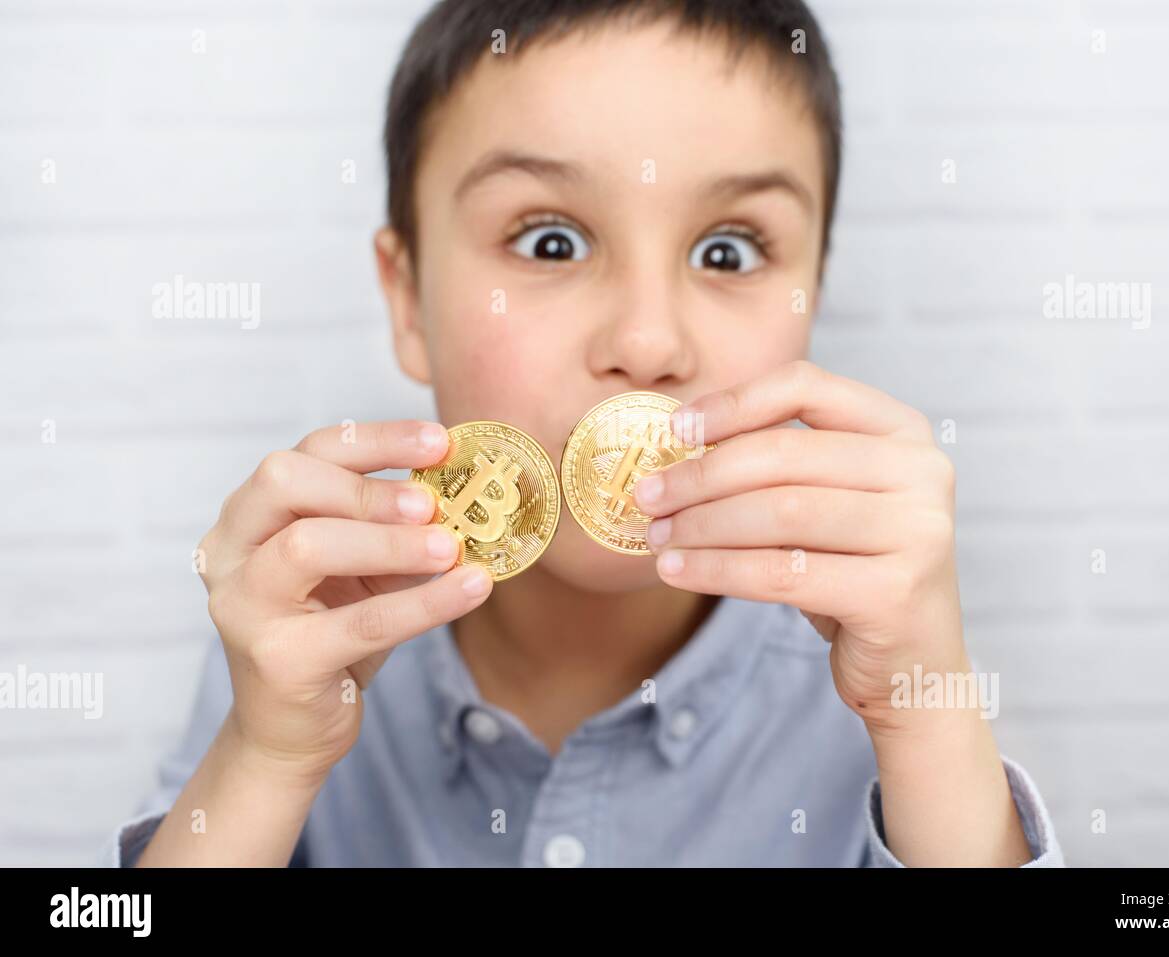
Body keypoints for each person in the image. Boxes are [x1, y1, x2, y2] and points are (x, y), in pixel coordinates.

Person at [98, 0, 1063, 867]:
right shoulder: (312, 631)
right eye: (549, 240)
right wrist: (264, 756)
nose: (648, 343)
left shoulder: (867, 676)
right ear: (407, 300)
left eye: (728, 250)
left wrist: (926, 715)